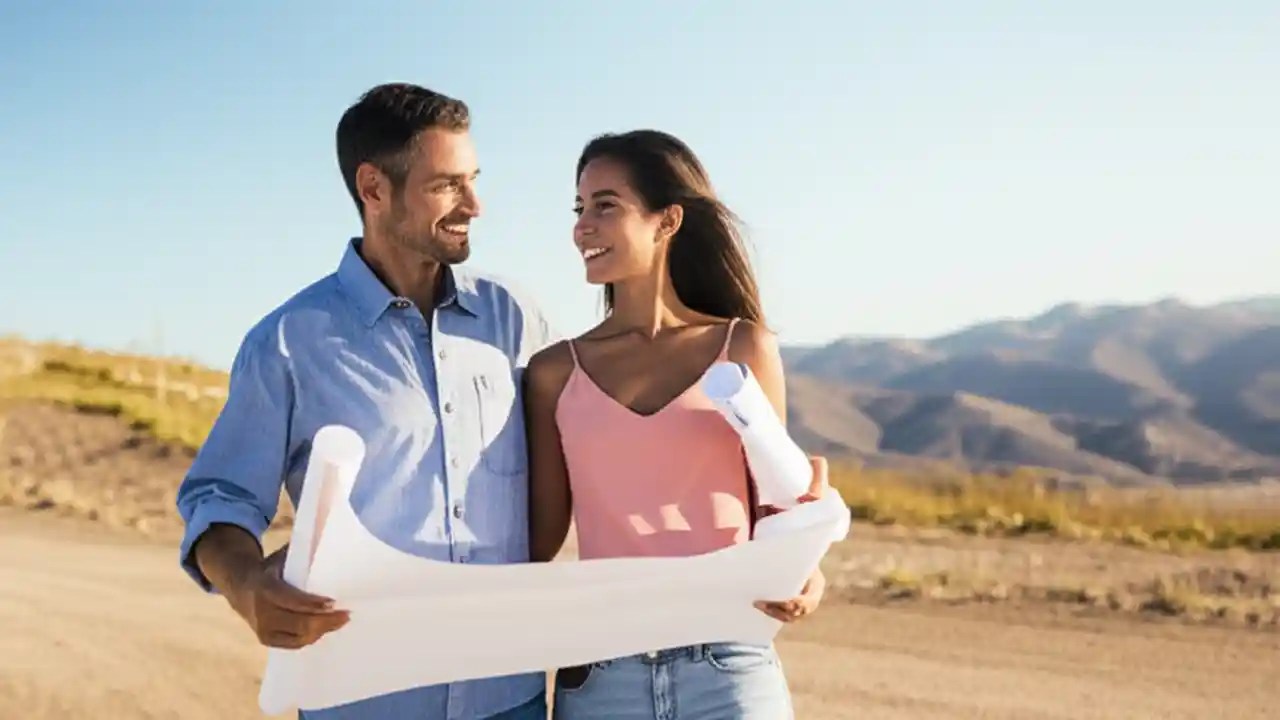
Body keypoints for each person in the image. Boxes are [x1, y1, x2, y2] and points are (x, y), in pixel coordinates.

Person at [174, 83, 557, 719]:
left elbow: (596, 451)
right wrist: (245, 587)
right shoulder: (288, 342)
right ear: (374, 189)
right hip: (360, 700)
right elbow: (221, 497)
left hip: (508, 698)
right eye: (447, 185)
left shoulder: (515, 320)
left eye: (474, 179)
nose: (475, 205)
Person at [524, 129, 828, 719]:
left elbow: (777, 509)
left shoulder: (744, 348)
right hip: (602, 678)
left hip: (731, 671)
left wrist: (807, 573)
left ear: (667, 222)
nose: (583, 225)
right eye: (579, 208)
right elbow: (534, 542)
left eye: (605, 205)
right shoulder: (553, 372)